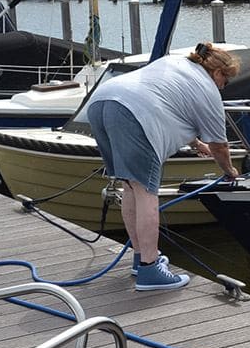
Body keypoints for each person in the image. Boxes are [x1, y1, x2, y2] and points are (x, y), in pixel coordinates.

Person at [84, 43, 240, 292]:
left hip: (101, 102)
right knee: (147, 192)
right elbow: (220, 146)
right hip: (133, 113)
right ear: (219, 72)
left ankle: (141, 259)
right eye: (226, 81)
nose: (223, 87)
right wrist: (229, 171)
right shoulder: (208, 89)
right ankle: (150, 270)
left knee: (130, 186)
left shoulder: (175, 62)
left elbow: (167, 101)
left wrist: (196, 143)